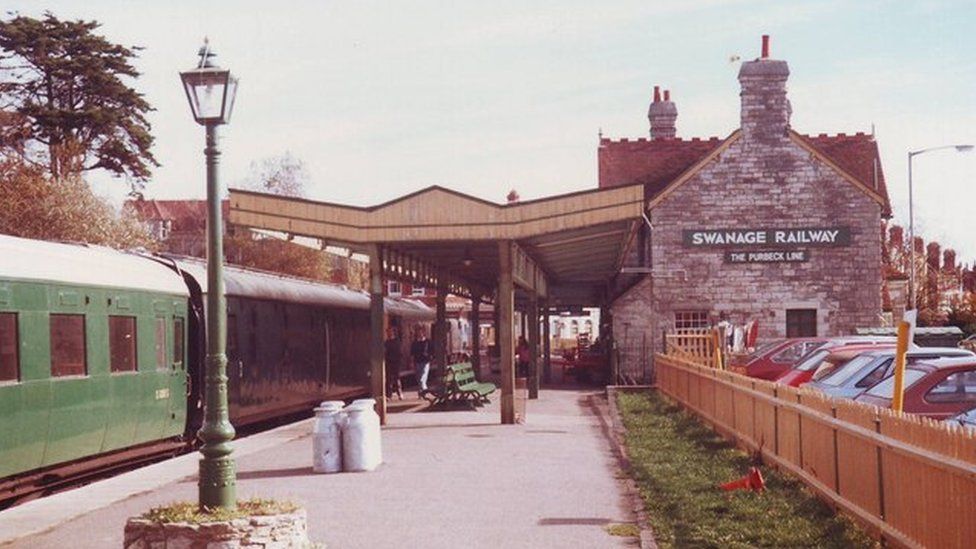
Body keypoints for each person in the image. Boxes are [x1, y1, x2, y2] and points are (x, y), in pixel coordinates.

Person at [410, 327, 432, 396]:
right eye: (418, 333)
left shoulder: (428, 342)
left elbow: (432, 350)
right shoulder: (414, 343)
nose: (420, 334)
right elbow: (412, 353)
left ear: (424, 333)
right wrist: (411, 362)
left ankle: (425, 390)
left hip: (425, 362)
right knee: (418, 378)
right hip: (417, 362)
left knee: (422, 378)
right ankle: (421, 392)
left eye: (421, 332)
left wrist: (430, 356)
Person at [384, 327, 403, 400]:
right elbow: (385, 352)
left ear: (393, 332)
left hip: (396, 362)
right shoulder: (386, 342)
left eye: (390, 332)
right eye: (388, 332)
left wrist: (399, 361)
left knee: (397, 378)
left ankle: (399, 393)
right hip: (389, 362)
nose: (389, 333)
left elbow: (400, 352)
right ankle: (389, 395)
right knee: (389, 379)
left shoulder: (397, 341)